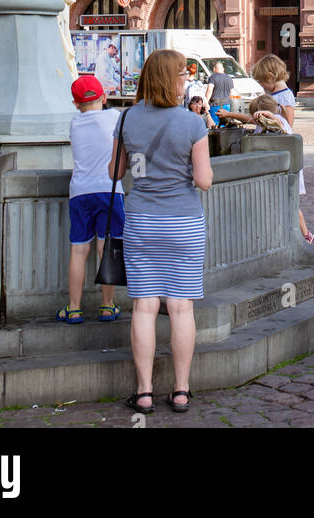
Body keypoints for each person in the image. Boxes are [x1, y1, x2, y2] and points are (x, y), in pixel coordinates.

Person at [109, 48, 213, 415]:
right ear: (172, 80)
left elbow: (114, 172)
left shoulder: (127, 118)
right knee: (181, 308)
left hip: (141, 222)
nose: (186, 81)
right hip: (183, 222)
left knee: (144, 306)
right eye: (183, 76)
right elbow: (203, 181)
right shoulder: (191, 123)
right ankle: (181, 390)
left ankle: (144, 392)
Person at [58, 74, 124, 324]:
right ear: (104, 97)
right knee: (106, 248)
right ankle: (107, 306)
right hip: (109, 190)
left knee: (78, 250)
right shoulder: (115, 116)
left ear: (75, 104)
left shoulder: (75, 124)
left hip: (80, 192)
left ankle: (74, 308)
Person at [250, 56, 314, 243]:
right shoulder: (274, 99)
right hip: (278, 156)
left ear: (270, 76)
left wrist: (271, 114)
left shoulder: (283, 98)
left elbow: (286, 126)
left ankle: (305, 235)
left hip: (285, 157)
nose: (262, 85)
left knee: (289, 199)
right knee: (283, 199)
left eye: (262, 81)